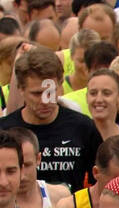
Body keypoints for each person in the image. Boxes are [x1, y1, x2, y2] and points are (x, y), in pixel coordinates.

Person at [0, 46, 101, 191]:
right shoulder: (5, 131)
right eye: (37, 93)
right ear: (21, 89)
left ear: (60, 85)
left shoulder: (84, 127)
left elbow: (98, 182)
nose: (45, 100)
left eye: (51, 92)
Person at [11, 127, 70, 208]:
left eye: (27, 165)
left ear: (38, 159)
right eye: (13, 169)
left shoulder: (60, 196)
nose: (22, 176)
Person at [85, 68, 119, 142]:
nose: (99, 99)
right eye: (93, 93)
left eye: (106, 93)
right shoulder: (78, 135)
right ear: (87, 97)